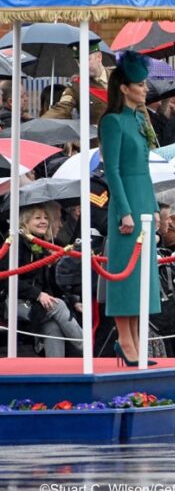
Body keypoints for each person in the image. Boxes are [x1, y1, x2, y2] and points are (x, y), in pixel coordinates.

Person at [99, 51, 163, 366]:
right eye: (139, 84)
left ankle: (136, 341)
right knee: (125, 274)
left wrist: (154, 208)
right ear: (124, 88)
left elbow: (145, 168)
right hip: (125, 202)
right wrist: (124, 210)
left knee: (141, 275)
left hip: (142, 199)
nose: (145, 88)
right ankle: (124, 340)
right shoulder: (111, 121)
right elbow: (112, 171)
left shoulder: (139, 119)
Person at [1, 206, 84, 357]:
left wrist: (73, 302)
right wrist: (38, 294)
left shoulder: (41, 245)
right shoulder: (15, 242)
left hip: (37, 303)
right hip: (14, 302)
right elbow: (7, 279)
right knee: (58, 306)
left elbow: (50, 284)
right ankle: (86, 348)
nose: (44, 221)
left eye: (46, 218)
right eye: (38, 218)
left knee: (53, 328)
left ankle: (57, 373)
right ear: (25, 221)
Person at [43, 43, 110, 125]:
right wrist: (39, 124)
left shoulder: (119, 75)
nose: (83, 66)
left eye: (87, 59)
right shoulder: (76, 86)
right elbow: (61, 109)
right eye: (79, 62)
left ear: (99, 57)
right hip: (99, 136)